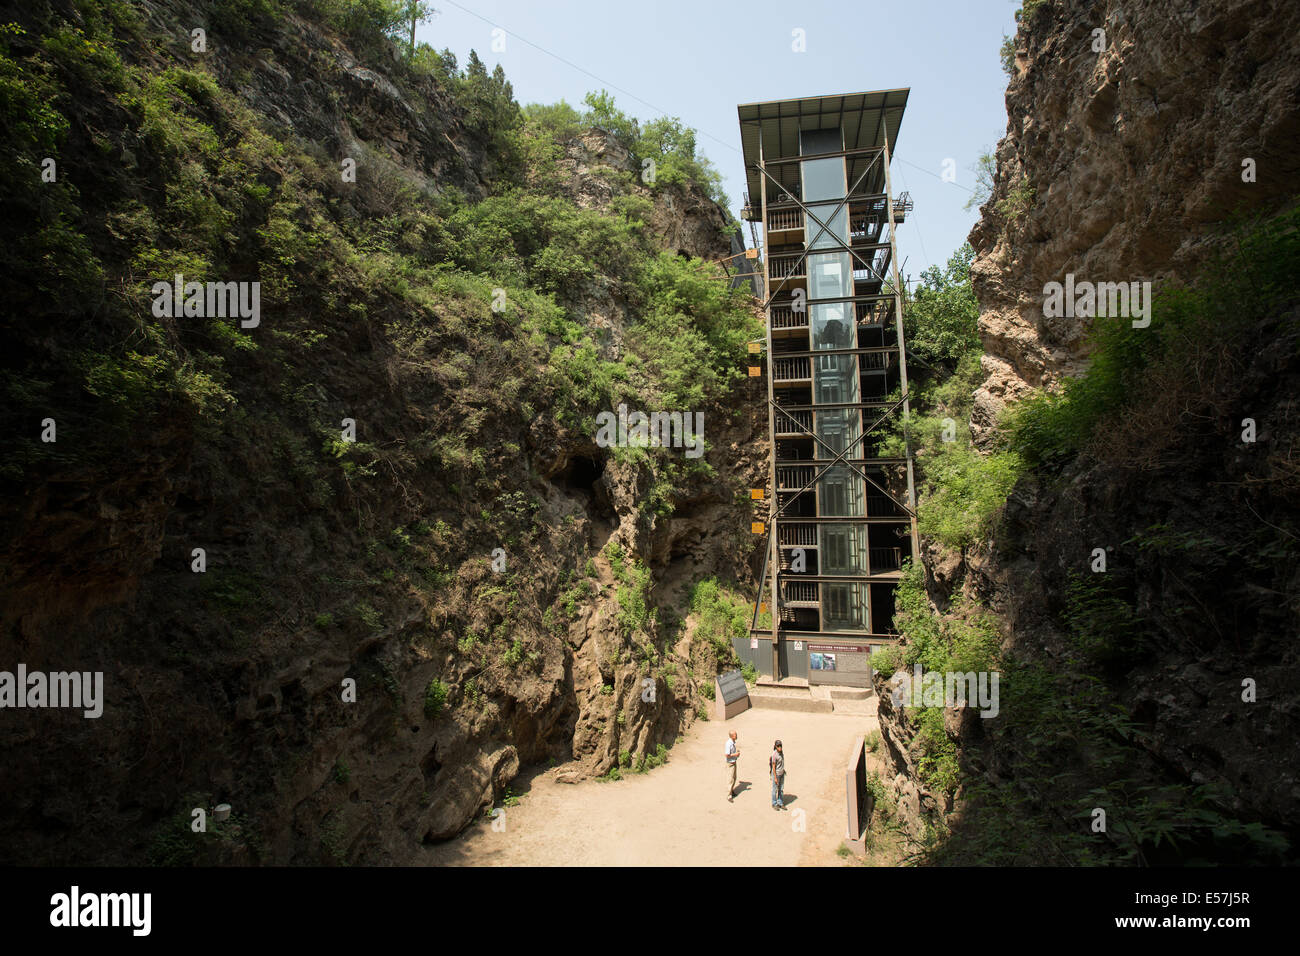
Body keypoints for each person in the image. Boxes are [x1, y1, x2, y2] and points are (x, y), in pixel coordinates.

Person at [769, 739, 786, 810]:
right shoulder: (774, 755)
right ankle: (774, 803)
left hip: (781, 773)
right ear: (775, 746)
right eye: (778, 746)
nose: (780, 747)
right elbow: (773, 766)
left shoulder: (781, 752)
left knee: (781, 789)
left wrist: (783, 770)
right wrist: (775, 777)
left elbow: (781, 762)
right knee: (775, 789)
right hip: (776, 774)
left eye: (780, 746)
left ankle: (780, 803)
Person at [724, 731, 740, 801]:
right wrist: (735, 754)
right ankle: (729, 795)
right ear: (732, 736)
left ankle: (731, 790)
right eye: (735, 734)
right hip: (730, 763)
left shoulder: (732, 742)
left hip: (733, 762)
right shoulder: (729, 743)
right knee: (730, 779)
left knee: (734, 777)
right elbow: (727, 755)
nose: (736, 735)